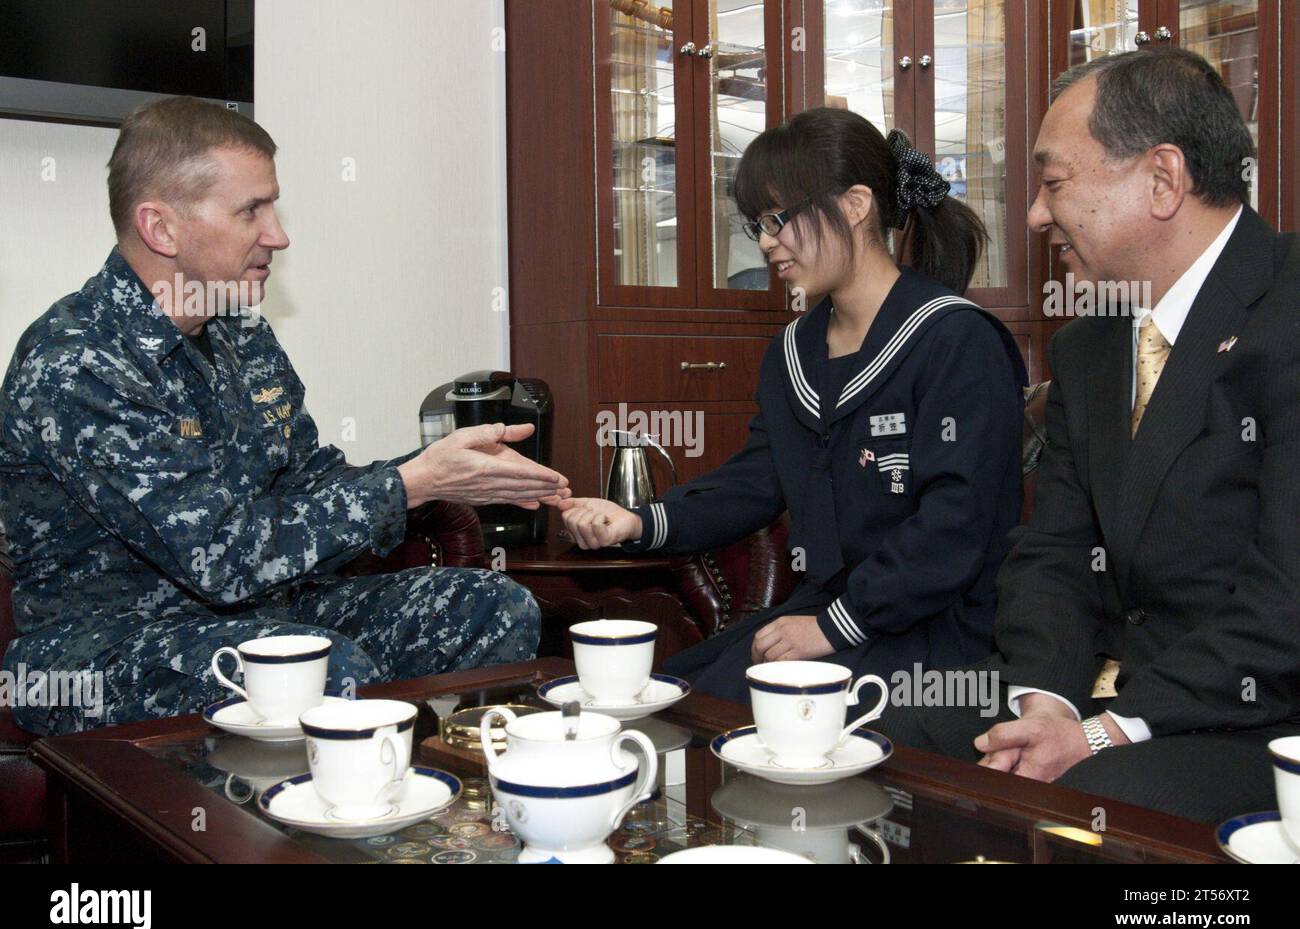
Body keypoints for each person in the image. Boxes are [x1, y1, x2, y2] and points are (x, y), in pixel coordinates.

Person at [0, 97, 570, 735]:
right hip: (100, 651)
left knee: (492, 608)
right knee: (312, 673)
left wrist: (437, 468)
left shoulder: (240, 331)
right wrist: (416, 483)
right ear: (161, 228)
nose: (278, 234)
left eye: (272, 205)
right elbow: (221, 555)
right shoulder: (78, 362)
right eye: (251, 210)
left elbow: (306, 482)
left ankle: (438, 804)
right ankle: (325, 825)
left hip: (261, 614)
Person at [873, 47, 1300, 823]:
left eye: (1054, 182)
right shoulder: (1090, 344)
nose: (1035, 214)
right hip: (1098, 695)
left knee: (1092, 808)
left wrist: (1104, 733)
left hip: (1259, 715)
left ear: (1163, 179)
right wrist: (1045, 704)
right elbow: (1054, 553)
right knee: (892, 738)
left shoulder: (1289, 306)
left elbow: (1287, 602)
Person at [560, 107, 1027, 706]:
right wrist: (641, 521)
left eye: (778, 219)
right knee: (673, 701)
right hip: (829, 614)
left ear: (857, 205)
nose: (764, 242)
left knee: (731, 720)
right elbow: (758, 480)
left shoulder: (956, 340)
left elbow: (956, 526)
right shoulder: (793, 350)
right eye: (757, 222)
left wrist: (833, 628)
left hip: (937, 636)